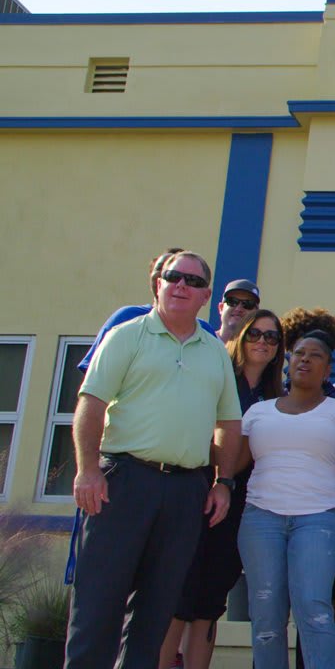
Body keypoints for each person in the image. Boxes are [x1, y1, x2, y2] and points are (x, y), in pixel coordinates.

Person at [67, 251, 242, 669]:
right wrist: (88, 470)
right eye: (173, 277)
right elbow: (90, 405)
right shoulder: (126, 336)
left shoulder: (214, 350)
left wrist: (223, 482)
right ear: (158, 284)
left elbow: (229, 421)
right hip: (122, 481)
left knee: (158, 609)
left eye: (192, 281)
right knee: (99, 602)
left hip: (186, 490)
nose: (181, 285)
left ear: (206, 296)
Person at [161, 309, 285, 669]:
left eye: (272, 337)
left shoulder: (276, 396)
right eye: (255, 334)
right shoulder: (215, 377)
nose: (262, 342)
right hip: (197, 492)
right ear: (240, 337)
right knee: (179, 595)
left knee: (211, 598)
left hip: (242, 506)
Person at [238, 328, 335, 669]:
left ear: (328, 370)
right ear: (288, 362)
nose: (305, 359)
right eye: (298, 353)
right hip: (260, 519)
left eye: (315, 355)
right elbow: (232, 463)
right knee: (266, 612)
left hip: (318, 520)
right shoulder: (258, 412)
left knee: (314, 608)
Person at [77, 247, 216, 373]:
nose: (179, 283)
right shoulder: (125, 320)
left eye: (188, 278)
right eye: (171, 276)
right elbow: (93, 378)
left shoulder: (204, 333)